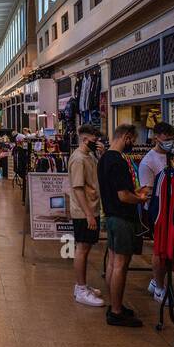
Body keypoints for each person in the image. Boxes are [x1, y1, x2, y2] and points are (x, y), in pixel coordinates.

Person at [97, 123, 151, 327]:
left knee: (112, 262)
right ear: (126, 137)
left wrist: (134, 192)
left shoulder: (104, 159)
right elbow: (123, 196)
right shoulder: (118, 162)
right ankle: (117, 312)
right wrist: (141, 198)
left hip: (111, 216)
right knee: (120, 265)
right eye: (133, 140)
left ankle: (115, 304)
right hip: (122, 219)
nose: (133, 144)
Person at [67, 125, 106, 307]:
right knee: (82, 249)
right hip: (84, 212)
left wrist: (101, 155)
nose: (96, 142)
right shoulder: (78, 159)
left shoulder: (89, 156)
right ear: (85, 139)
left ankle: (81, 285)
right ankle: (81, 289)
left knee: (87, 247)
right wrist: (88, 214)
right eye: (94, 139)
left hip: (92, 208)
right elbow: (78, 188)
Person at [138, 122, 174, 305]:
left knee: (167, 250)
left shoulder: (173, 157)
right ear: (156, 138)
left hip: (172, 209)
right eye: (166, 139)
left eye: (171, 139)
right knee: (159, 250)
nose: (169, 142)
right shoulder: (148, 161)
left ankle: (156, 281)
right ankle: (159, 288)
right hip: (156, 210)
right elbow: (146, 193)